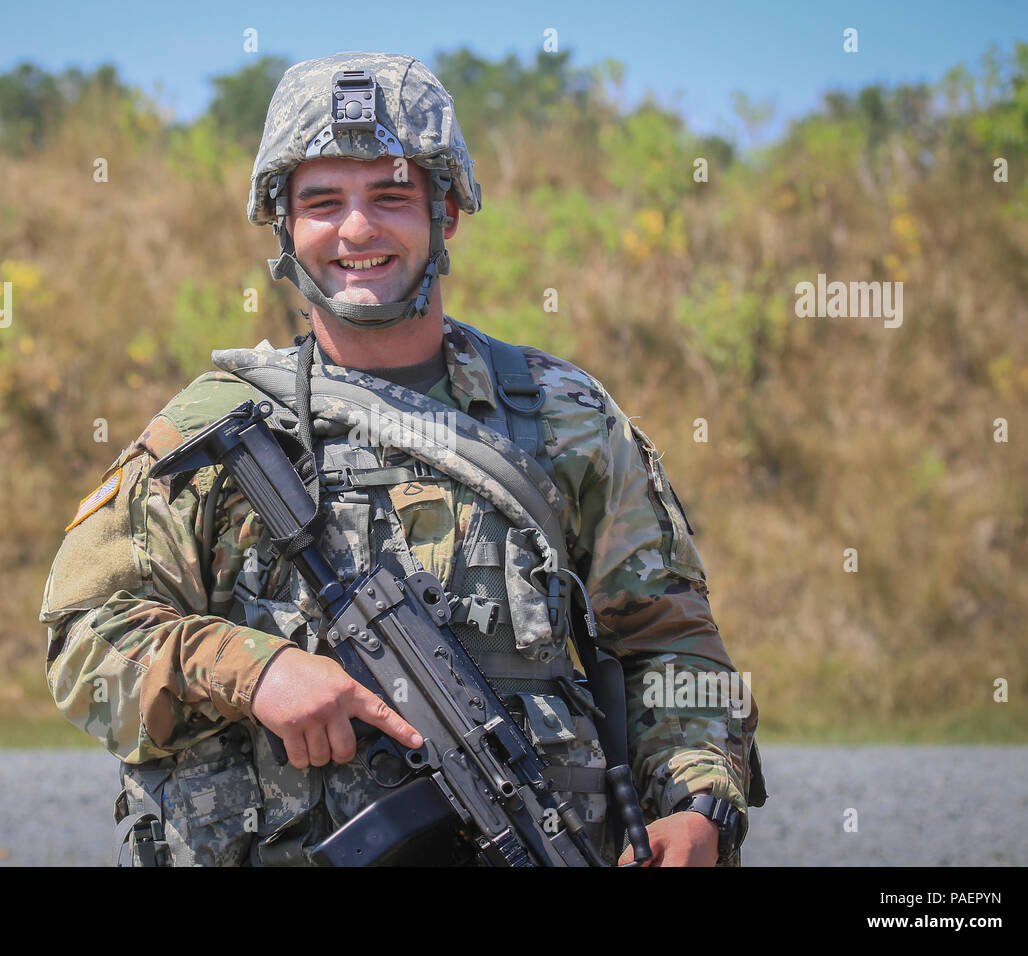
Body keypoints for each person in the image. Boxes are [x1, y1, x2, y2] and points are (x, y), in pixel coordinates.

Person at [39, 51, 764, 867]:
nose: (357, 230)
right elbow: (83, 645)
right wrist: (256, 669)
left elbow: (673, 646)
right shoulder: (215, 430)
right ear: (285, 227)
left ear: (444, 215)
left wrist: (699, 802)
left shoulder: (564, 418)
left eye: (391, 196)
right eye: (322, 203)